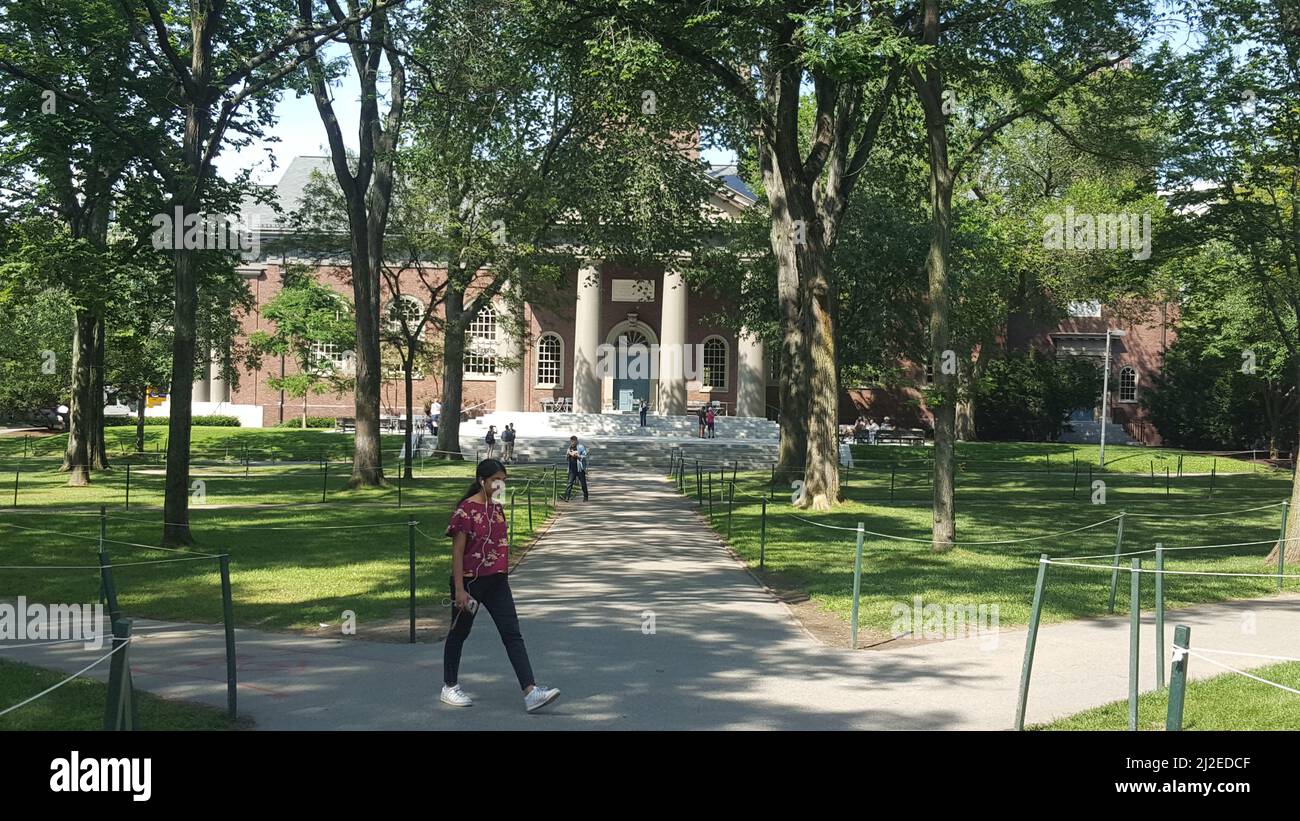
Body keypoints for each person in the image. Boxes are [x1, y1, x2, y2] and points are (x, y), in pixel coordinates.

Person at [440, 458, 560, 713]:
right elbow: (458, 553)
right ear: (481, 481)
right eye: (496, 481)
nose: (501, 485)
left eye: (504, 481)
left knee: (512, 634)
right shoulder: (464, 512)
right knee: (459, 633)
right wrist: (460, 590)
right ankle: (449, 686)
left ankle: (530, 692)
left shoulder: (496, 507)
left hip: (497, 581)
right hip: (471, 583)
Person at [562, 436, 589, 501]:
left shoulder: (581, 447)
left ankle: (585, 496)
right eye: (571, 441)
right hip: (572, 468)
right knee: (569, 483)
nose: (572, 442)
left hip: (579, 468)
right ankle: (567, 497)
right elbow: (567, 458)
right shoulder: (569, 447)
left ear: (576, 441)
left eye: (574, 441)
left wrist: (577, 456)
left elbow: (584, 456)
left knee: (583, 483)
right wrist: (568, 455)